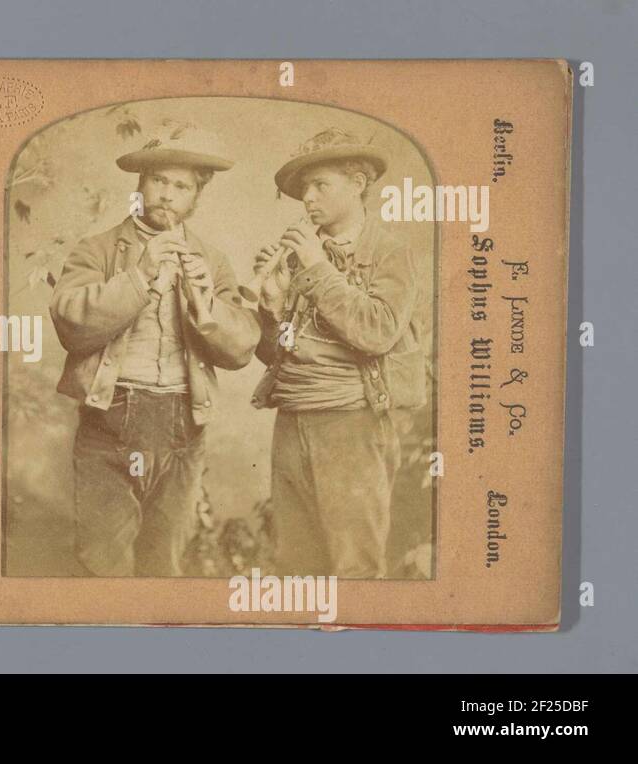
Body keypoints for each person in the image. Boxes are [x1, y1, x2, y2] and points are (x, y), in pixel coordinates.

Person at [50, 132, 259, 576]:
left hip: (183, 422)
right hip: (111, 418)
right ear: (140, 185)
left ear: (197, 195)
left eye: (181, 186)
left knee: (164, 562)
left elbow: (242, 348)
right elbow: (71, 324)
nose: (166, 194)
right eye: (158, 180)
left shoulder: (212, 260)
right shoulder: (98, 249)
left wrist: (206, 302)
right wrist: (141, 274)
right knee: (102, 560)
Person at [251, 127, 425, 578]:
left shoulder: (391, 251)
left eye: (320, 185)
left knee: (355, 568)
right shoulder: (301, 255)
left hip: (352, 423)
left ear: (358, 183)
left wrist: (315, 268)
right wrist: (270, 311)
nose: (308, 198)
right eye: (304, 189)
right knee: (296, 566)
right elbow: (275, 356)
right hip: (291, 419)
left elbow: (378, 331)